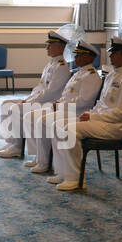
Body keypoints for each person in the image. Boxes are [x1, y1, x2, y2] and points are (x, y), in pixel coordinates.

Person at [48, 36, 122, 192]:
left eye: (114, 53)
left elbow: (120, 113)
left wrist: (92, 116)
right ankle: (63, 171)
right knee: (58, 125)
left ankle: (75, 178)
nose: (110, 56)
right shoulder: (112, 75)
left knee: (69, 130)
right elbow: (101, 104)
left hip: (113, 127)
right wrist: (91, 114)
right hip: (100, 121)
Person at [26, 40, 102, 177]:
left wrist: (60, 105)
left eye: (80, 55)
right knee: (33, 116)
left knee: (44, 122)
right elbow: (66, 95)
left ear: (90, 57)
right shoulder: (79, 73)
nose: (76, 58)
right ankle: (42, 159)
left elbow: (83, 102)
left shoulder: (91, 75)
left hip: (77, 113)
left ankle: (50, 165)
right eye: (76, 55)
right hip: (66, 109)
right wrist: (59, 103)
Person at [0, 30, 72, 159]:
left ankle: (17, 148)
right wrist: (28, 99)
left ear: (60, 47)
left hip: (49, 104)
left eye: (50, 45)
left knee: (16, 108)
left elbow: (50, 92)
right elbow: (40, 87)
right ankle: (10, 142)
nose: (46, 47)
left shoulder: (61, 67)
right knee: (6, 104)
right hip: (40, 100)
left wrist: (29, 102)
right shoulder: (50, 64)